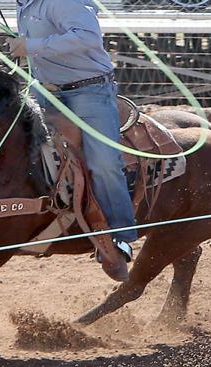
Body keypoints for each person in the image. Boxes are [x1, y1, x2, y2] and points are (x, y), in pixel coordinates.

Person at [11, 0, 137, 283]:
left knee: (104, 162)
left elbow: (87, 36)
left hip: (88, 91)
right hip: (44, 90)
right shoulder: (24, 4)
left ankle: (121, 235)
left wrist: (31, 46)